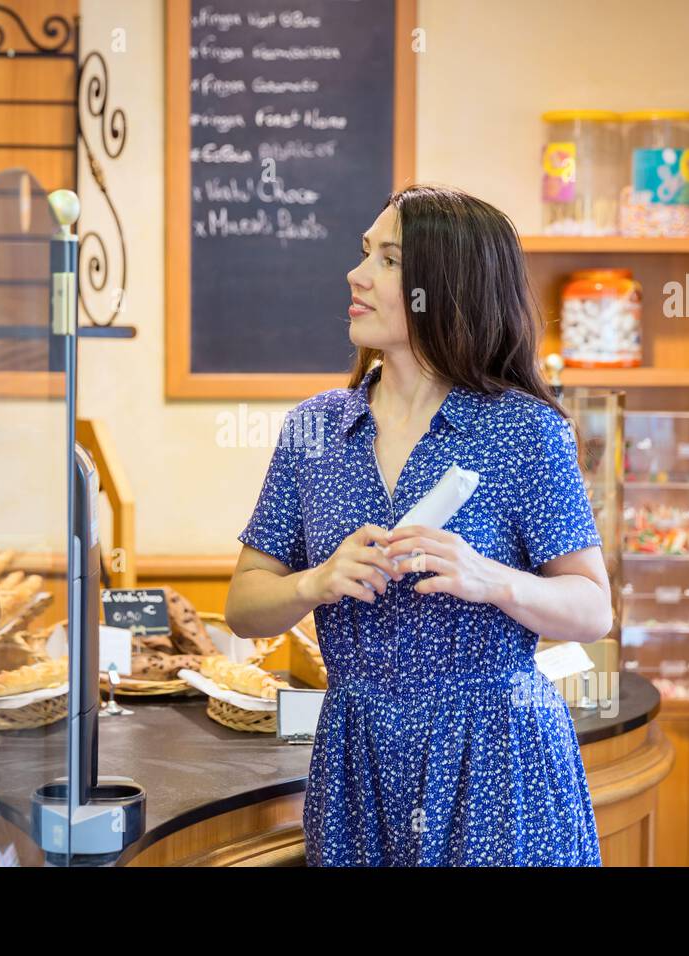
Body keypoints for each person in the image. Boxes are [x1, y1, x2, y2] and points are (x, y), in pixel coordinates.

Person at [225, 184, 613, 866]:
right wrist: (314, 582)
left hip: (500, 762)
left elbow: (592, 609)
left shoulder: (525, 430)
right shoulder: (313, 430)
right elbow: (244, 606)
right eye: (364, 253)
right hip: (357, 761)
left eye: (389, 259)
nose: (357, 273)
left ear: (449, 286)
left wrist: (490, 579)